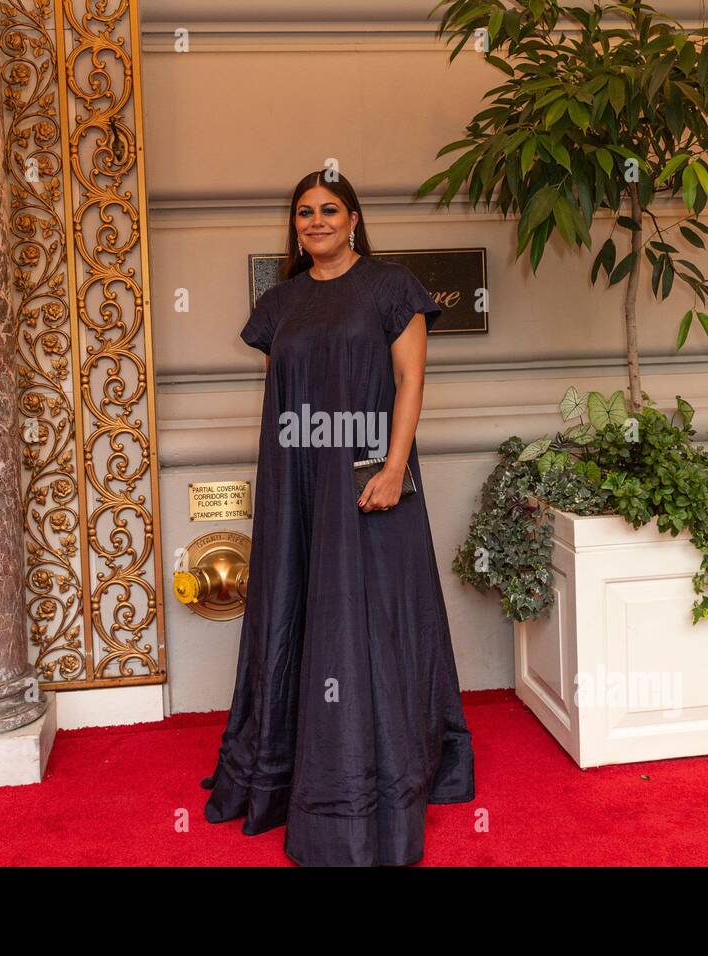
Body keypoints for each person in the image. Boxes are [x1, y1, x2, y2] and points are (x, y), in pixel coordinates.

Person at [200, 170, 475, 866]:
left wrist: (392, 464)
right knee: (296, 612)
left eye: (328, 209)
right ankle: (291, 769)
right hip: (297, 482)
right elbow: (284, 395)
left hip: (366, 480)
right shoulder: (280, 304)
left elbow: (412, 379)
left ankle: (379, 778)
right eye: (303, 213)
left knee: (375, 619)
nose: (315, 221)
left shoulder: (391, 288)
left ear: (353, 219)